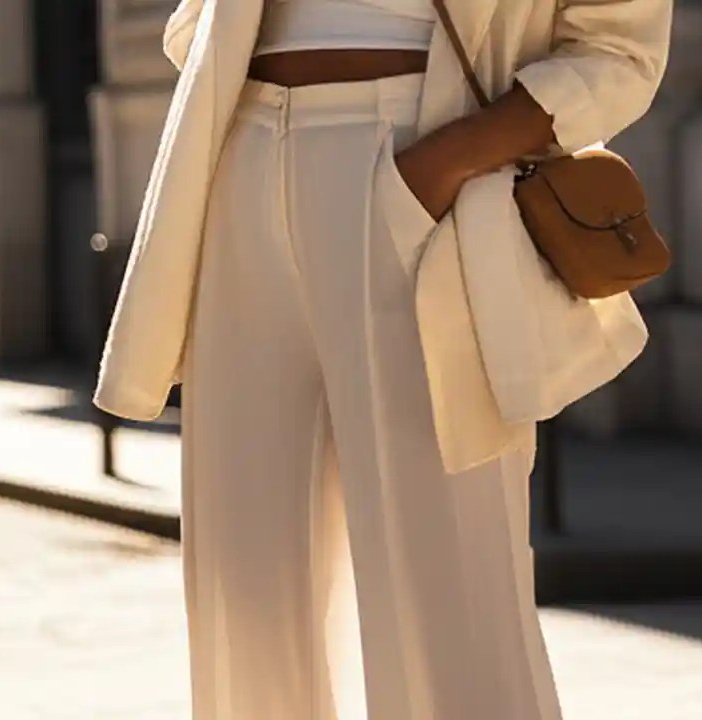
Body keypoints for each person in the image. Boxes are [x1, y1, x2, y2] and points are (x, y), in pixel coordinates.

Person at [94, 0, 672, 716]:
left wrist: (441, 163)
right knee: (246, 597)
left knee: (448, 600)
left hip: (417, 161)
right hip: (240, 159)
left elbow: (621, 49)